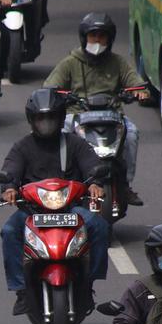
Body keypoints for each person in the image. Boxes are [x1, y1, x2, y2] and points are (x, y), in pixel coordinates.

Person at [0, 89, 109, 315]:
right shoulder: (22, 146)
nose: (46, 124)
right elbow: (10, 170)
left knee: (99, 226)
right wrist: (9, 188)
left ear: (60, 118)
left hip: (72, 208)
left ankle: (89, 283)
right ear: (32, 120)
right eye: (41, 119)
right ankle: (21, 290)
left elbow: (92, 164)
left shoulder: (75, 143)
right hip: (32, 211)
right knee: (9, 231)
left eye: (51, 118)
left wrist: (96, 183)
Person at [43, 13, 149, 206]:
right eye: (93, 36)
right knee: (60, 134)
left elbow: (137, 84)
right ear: (84, 38)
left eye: (102, 36)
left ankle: (125, 184)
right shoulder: (71, 62)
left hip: (113, 115)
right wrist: (60, 94)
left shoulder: (118, 62)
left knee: (132, 134)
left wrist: (139, 92)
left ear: (110, 39)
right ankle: (60, 181)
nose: (98, 40)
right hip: (77, 115)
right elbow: (50, 85)